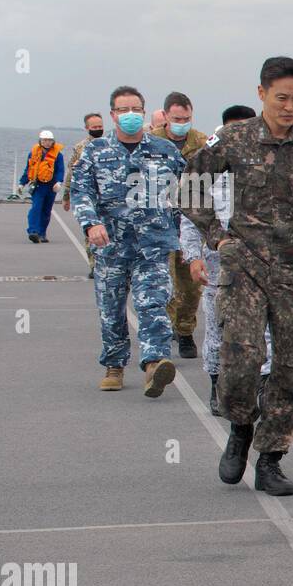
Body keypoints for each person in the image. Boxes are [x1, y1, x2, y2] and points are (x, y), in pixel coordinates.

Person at [182, 57, 293, 496]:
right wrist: (216, 237)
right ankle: (240, 426)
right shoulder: (233, 140)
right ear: (261, 94)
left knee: (291, 369)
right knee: (242, 358)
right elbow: (188, 184)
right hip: (244, 268)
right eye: (281, 98)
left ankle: (271, 458)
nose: (290, 107)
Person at [70, 86, 186, 395]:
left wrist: (186, 240)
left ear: (144, 112)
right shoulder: (94, 152)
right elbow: (81, 192)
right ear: (112, 115)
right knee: (112, 308)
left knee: (153, 303)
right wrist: (90, 223)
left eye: (135, 109)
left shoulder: (166, 151)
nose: (130, 115)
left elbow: (184, 196)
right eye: (123, 110)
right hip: (111, 245)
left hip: (154, 244)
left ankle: (154, 363)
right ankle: (114, 364)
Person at [179, 105, 272, 415]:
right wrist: (193, 258)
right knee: (218, 332)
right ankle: (217, 386)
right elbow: (191, 219)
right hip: (218, 267)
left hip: (262, 268)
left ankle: (262, 390)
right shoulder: (207, 174)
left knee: (266, 333)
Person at [154, 91, 210, 360]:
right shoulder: (150, 142)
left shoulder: (202, 142)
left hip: (189, 219)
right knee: (158, 282)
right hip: (156, 222)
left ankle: (185, 330)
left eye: (186, 118)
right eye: (177, 118)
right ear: (165, 116)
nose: (182, 123)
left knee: (189, 285)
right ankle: (159, 331)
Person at [63, 114, 105, 276]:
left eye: (100, 127)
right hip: (89, 196)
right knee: (91, 232)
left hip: (108, 196)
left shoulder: (110, 144)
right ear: (87, 128)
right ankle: (94, 265)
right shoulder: (80, 148)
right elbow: (71, 173)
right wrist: (67, 196)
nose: (98, 130)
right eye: (94, 127)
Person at [19, 129, 64, 243]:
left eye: (49, 140)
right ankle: (33, 231)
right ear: (40, 141)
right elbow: (28, 169)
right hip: (38, 185)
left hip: (51, 186)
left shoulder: (58, 155)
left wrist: (59, 182)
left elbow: (60, 170)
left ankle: (42, 233)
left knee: (46, 210)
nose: (47, 142)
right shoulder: (33, 153)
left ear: (53, 141)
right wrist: (21, 183)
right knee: (36, 208)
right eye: (45, 140)